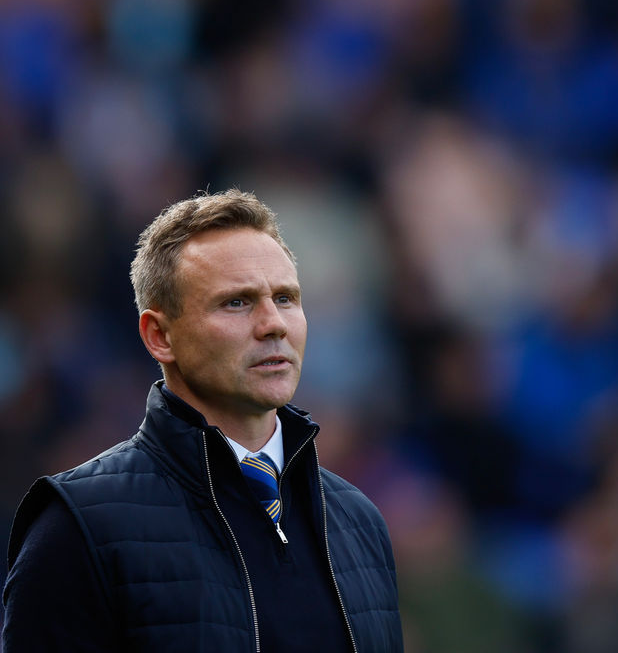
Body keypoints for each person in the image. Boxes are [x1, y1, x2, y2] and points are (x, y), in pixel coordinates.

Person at [2, 189, 405, 651]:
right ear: (159, 336)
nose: (274, 323)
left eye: (286, 298)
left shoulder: (359, 522)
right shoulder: (78, 524)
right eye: (237, 302)